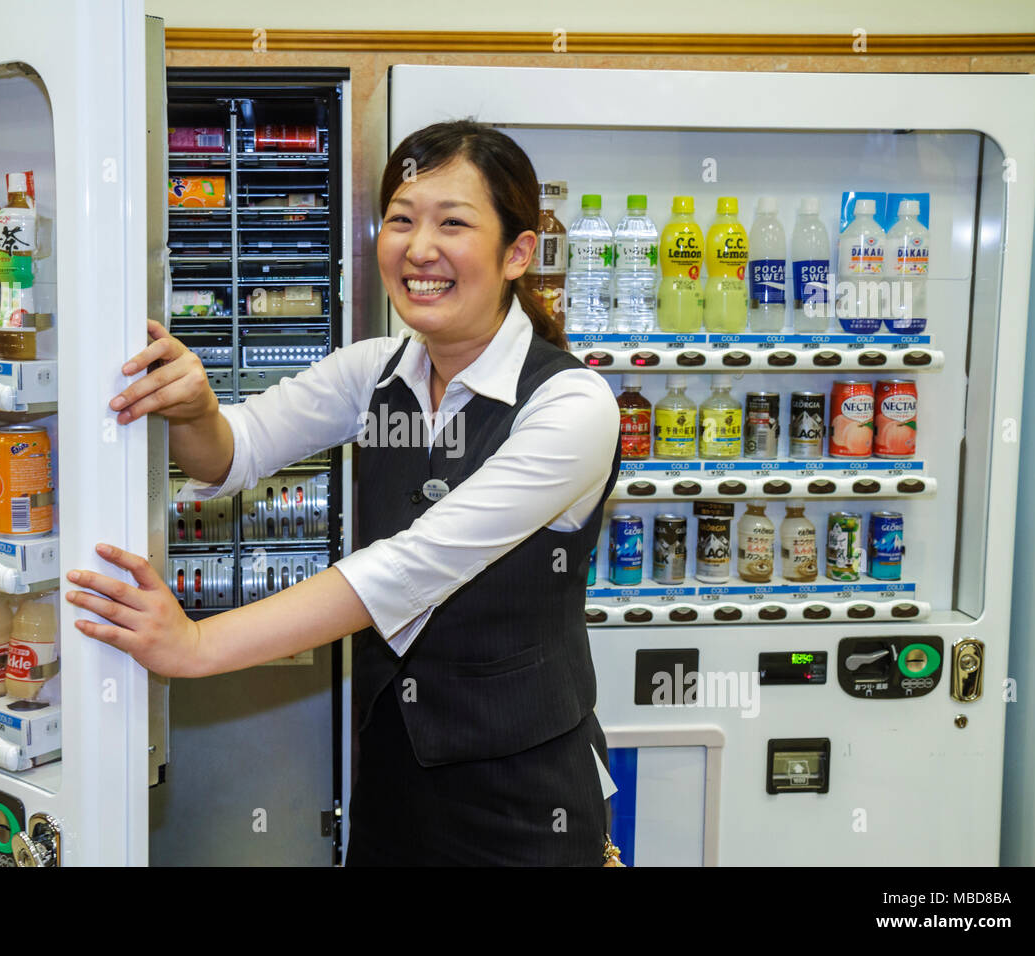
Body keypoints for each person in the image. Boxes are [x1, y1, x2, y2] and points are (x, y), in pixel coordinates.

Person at [66, 120, 622, 866]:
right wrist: (197, 408)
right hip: (392, 771)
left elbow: (411, 567)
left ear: (517, 252)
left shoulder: (573, 405)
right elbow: (234, 452)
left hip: (525, 793)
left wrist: (196, 645)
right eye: (401, 219)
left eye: (452, 223)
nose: (419, 249)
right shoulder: (374, 370)